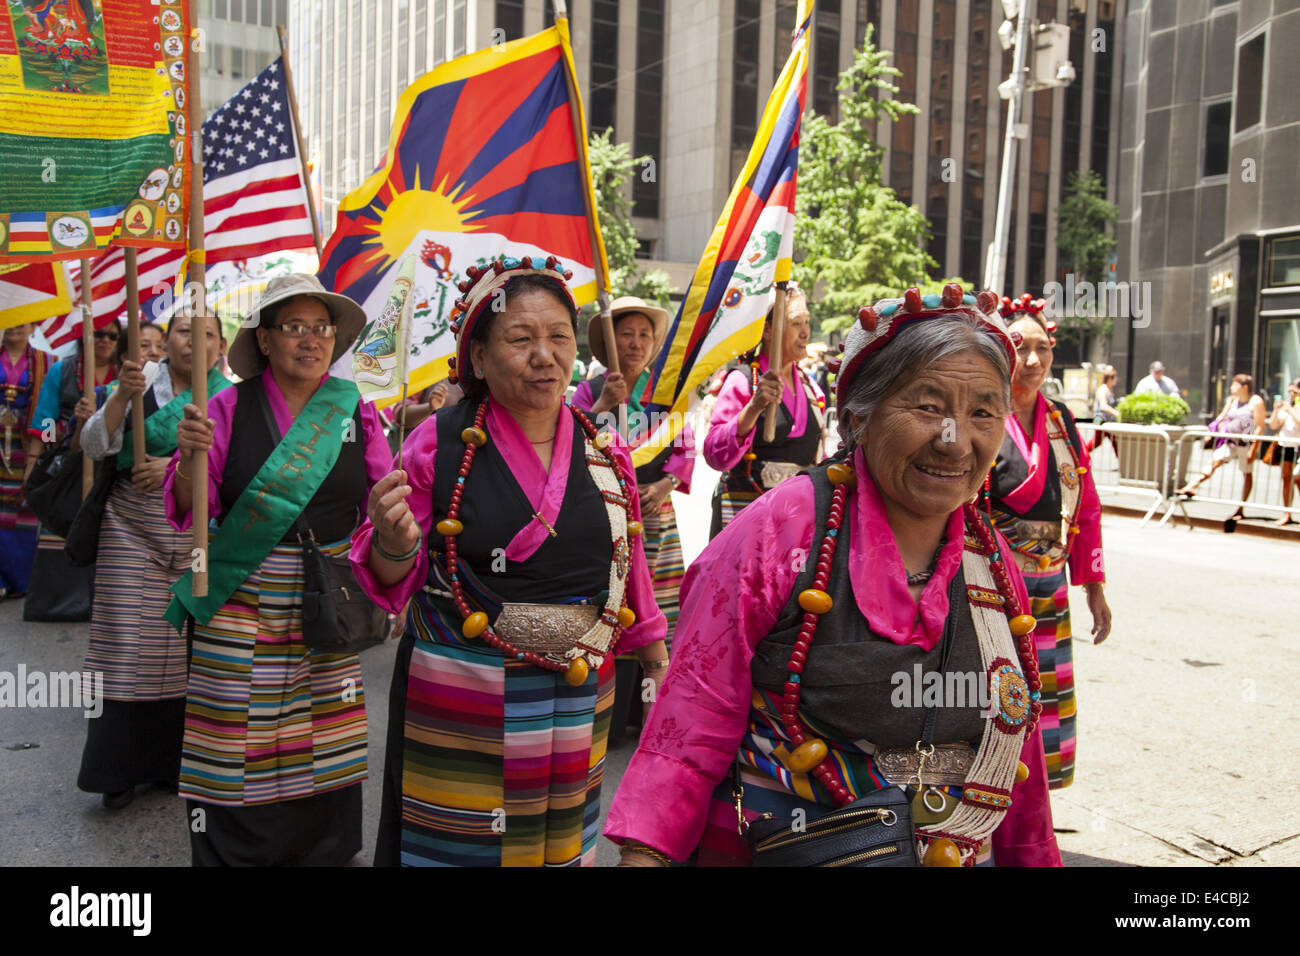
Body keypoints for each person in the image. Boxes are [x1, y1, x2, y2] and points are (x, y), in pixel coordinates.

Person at [606, 284, 1060, 868]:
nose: (955, 442)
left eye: (982, 412)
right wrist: (646, 855)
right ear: (857, 417)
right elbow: (691, 715)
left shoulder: (993, 565)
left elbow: (1018, 748)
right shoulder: (778, 533)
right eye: (927, 406)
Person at [351, 254, 668, 867]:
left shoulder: (605, 450)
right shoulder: (440, 442)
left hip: (577, 685)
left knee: (560, 843)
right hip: (461, 686)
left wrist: (655, 659)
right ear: (477, 355)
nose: (544, 355)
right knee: (462, 847)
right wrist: (394, 544)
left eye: (558, 337)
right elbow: (392, 578)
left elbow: (629, 568)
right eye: (520, 339)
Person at [163, 275, 391, 866]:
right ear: (264, 341)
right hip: (240, 590)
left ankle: (321, 848)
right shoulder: (223, 408)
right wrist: (190, 454)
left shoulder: (354, 413)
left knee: (324, 730)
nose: (311, 340)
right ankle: (237, 852)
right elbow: (189, 510)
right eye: (294, 327)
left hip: (327, 591)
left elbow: (383, 502)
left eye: (322, 328)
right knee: (235, 729)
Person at [77, 312, 231, 809]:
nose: (195, 341)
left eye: (206, 333)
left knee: (188, 649)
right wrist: (121, 396)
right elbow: (93, 444)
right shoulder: (137, 386)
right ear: (168, 342)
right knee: (124, 645)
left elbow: (240, 464)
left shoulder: (231, 397)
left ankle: (172, 766)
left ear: (221, 344)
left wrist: (173, 466)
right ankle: (116, 769)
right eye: (185, 332)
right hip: (131, 528)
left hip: (199, 532)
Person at [984, 306, 1111, 791]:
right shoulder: (983, 411)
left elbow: (1089, 506)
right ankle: (990, 786)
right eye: (1020, 346)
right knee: (1000, 685)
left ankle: (1036, 790)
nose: (1032, 359)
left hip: (1051, 573)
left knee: (1047, 687)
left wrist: (1094, 584)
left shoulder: (1061, 421)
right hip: (994, 578)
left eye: (1043, 348)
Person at [573, 296, 694, 742]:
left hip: (657, 517)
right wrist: (604, 403)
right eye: (627, 333)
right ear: (610, 341)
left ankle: (652, 709)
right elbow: (575, 439)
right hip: (608, 517)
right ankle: (612, 713)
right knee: (613, 606)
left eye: (645, 334)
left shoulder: (664, 395)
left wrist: (663, 486)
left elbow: (685, 447)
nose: (637, 342)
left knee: (657, 610)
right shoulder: (589, 391)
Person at [702, 284, 827, 537]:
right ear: (767, 329)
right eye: (795, 323)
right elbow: (715, 454)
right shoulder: (743, 380)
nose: (805, 332)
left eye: (807, 322)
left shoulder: (811, 388)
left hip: (794, 520)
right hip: (744, 513)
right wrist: (754, 407)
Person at [24, 319, 120, 621]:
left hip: (108, 466)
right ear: (84, 338)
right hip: (67, 462)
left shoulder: (127, 375)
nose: (104, 340)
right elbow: (46, 420)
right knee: (60, 525)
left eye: (112, 336)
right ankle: (56, 602)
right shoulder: (61, 371)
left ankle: (103, 603)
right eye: (98, 334)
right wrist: (43, 457)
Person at [0, 323, 54, 599]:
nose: (14, 328)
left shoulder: (47, 362)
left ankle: (19, 580)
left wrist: (45, 446)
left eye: (21, 323)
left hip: (27, 445)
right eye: (9, 321)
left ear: (33, 326)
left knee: (22, 512)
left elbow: (50, 412)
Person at [1176, 374, 1268, 521]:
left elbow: (1260, 426)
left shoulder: (1255, 401)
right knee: (1215, 461)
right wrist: (1211, 431)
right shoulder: (1232, 400)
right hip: (1229, 440)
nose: (1231, 387)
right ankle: (1193, 485)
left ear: (1244, 387)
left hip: (1246, 443)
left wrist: (1253, 448)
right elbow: (1222, 416)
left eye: (1234, 385)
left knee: (1246, 473)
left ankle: (1240, 508)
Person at [1268, 379, 1300, 526]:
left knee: (1297, 478)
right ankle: (1287, 513)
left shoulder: (1294, 407)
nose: (1292, 395)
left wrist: (1291, 410)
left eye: (1295, 392)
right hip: (1286, 446)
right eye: (1290, 392)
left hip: (1298, 446)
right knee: (1287, 478)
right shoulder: (1287, 406)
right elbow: (1274, 424)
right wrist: (1276, 409)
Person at [1089, 366, 1121, 456]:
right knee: (1097, 442)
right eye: (1115, 377)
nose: (1116, 380)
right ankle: (1082, 455)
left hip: (1108, 421)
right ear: (1110, 378)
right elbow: (1103, 406)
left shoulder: (1109, 389)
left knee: (1114, 441)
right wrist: (1117, 413)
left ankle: (1121, 460)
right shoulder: (1103, 389)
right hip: (1102, 420)